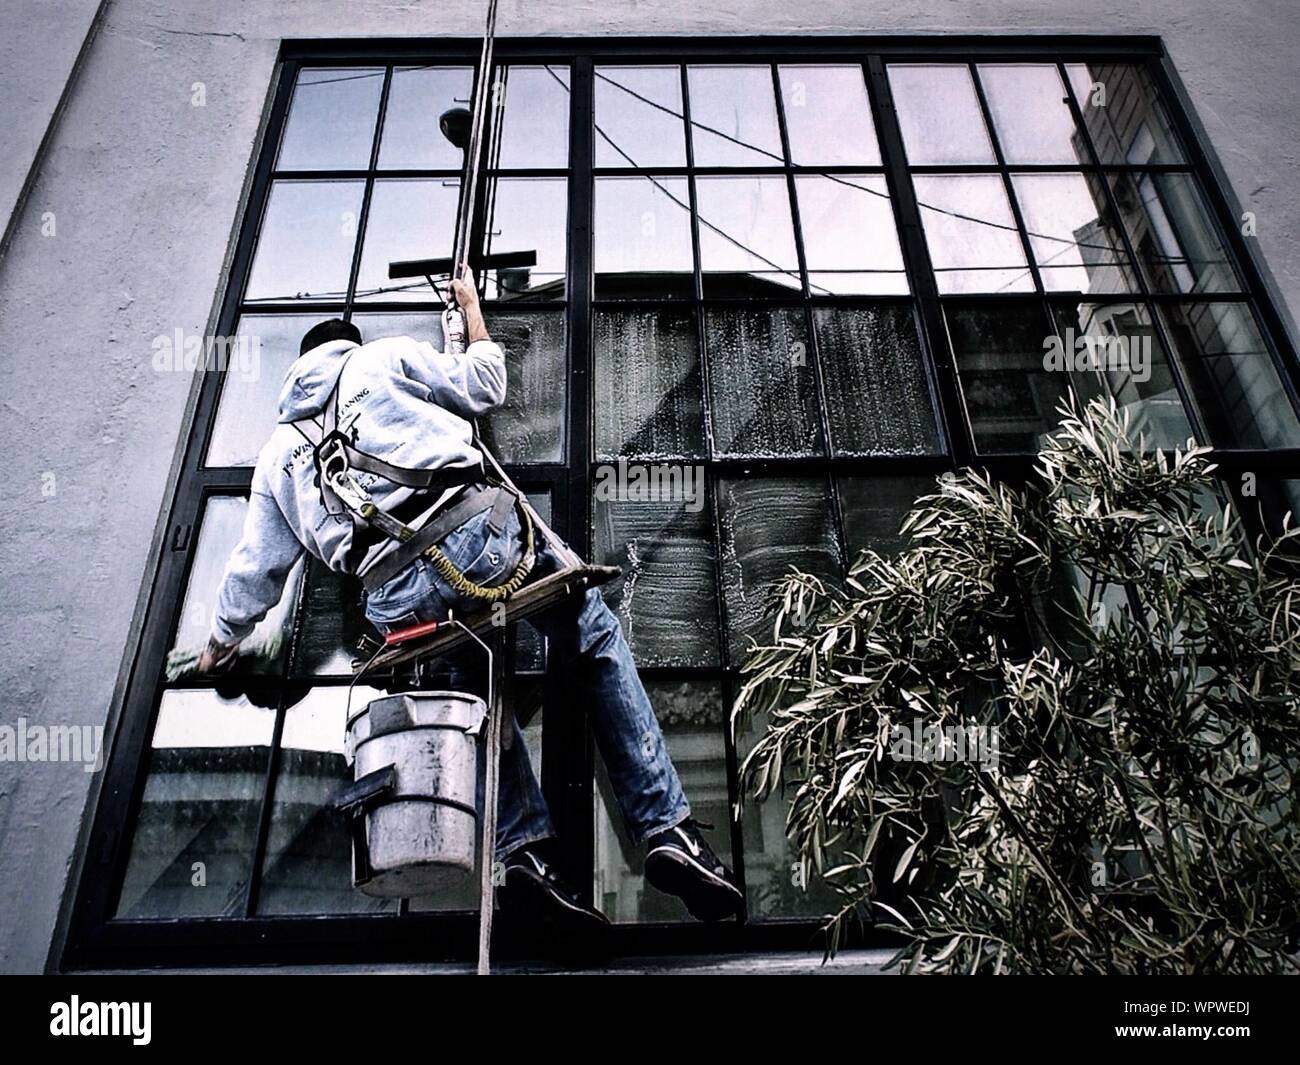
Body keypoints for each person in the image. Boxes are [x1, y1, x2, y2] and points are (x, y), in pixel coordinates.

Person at [188, 275, 743, 935]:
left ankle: (525, 858)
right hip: (475, 539)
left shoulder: (278, 455)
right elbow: (485, 385)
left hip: (396, 599)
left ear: (298, 369)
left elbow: (256, 570)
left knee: (474, 702)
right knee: (591, 632)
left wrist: (220, 642)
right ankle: (667, 830)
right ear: (345, 348)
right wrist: (475, 315)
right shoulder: (380, 359)